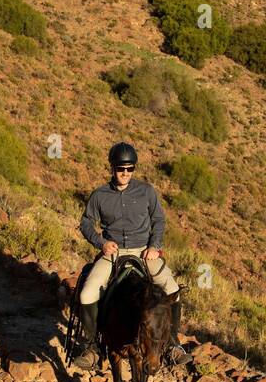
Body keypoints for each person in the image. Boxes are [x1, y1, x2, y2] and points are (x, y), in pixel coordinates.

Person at [72, 141, 187, 369]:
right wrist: (101, 243)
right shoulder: (100, 195)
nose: (124, 173)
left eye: (129, 169)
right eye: (120, 168)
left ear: (134, 169)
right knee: (86, 294)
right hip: (113, 252)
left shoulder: (146, 192)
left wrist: (154, 246)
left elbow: (159, 220)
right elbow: (85, 223)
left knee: (173, 290)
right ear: (112, 168)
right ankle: (92, 345)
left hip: (144, 252)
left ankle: (173, 344)